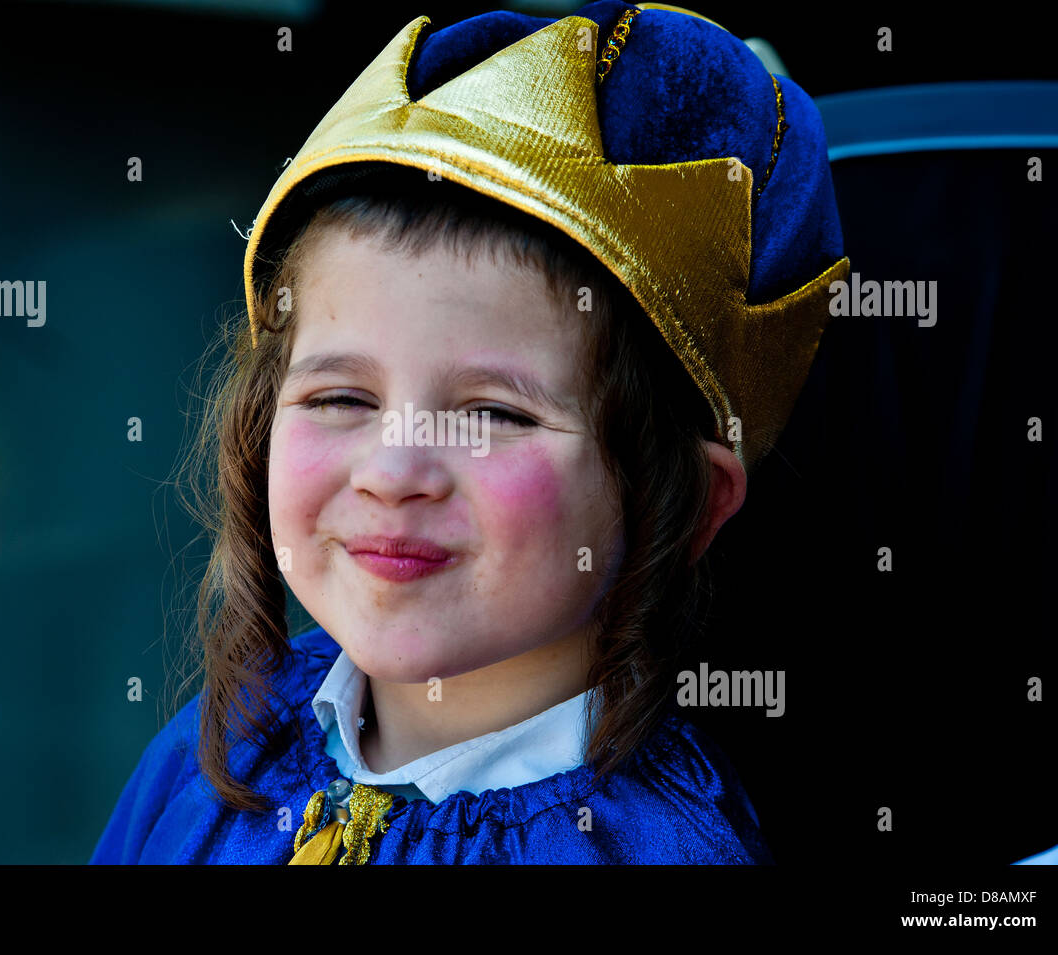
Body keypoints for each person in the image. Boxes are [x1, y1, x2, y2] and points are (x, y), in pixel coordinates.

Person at [90, 0, 849, 864]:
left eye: (493, 414)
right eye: (340, 398)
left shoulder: (653, 850)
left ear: (685, 500)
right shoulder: (219, 747)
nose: (392, 469)